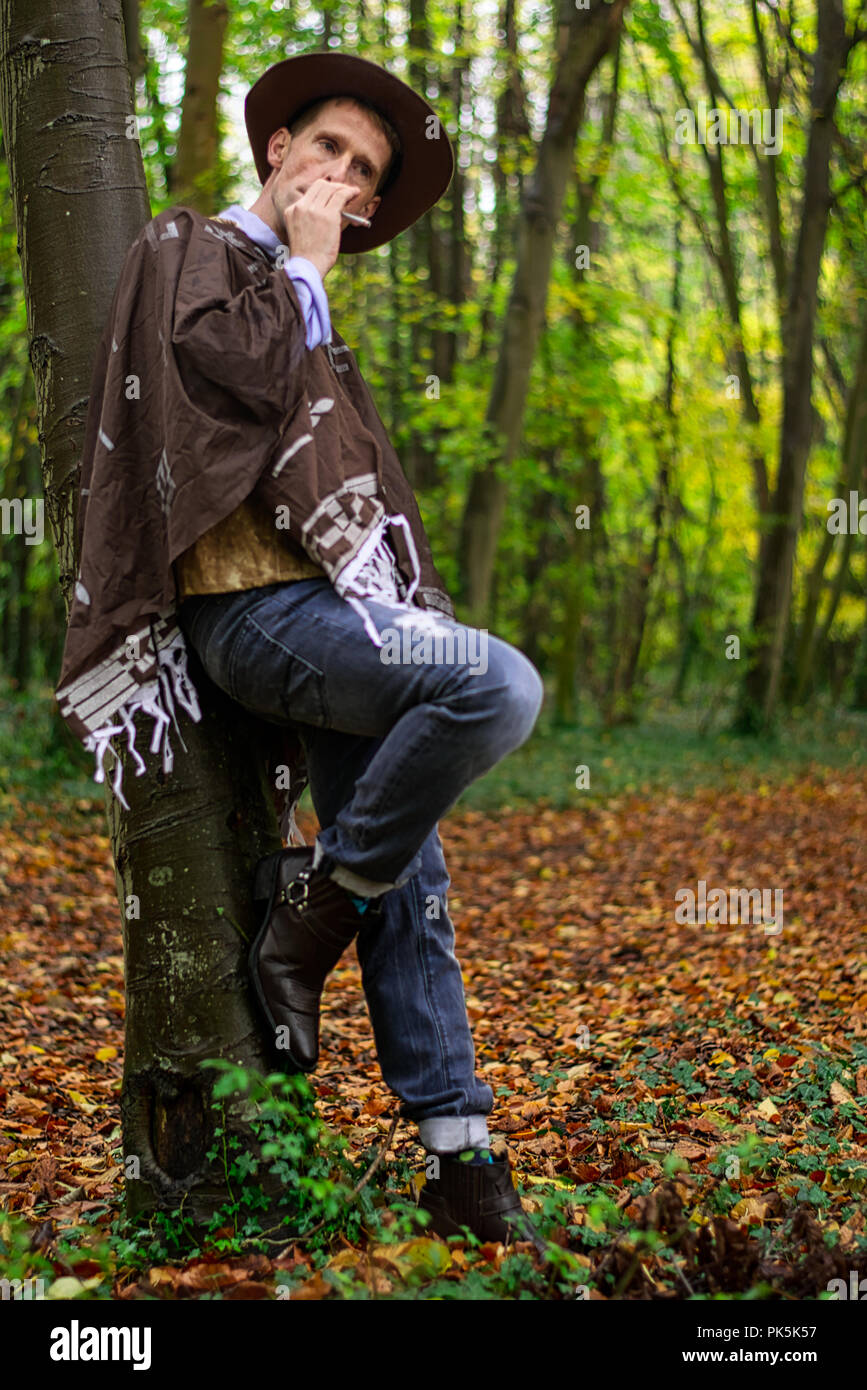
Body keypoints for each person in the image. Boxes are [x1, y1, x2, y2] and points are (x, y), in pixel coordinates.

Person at [56, 50, 545, 1251]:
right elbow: (224, 376)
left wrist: (309, 284)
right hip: (253, 617)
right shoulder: (191, 252)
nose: (342, 177)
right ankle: (311, 914)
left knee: (412, 879)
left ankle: (458, 1158)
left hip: (340, 624)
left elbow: (360, 502)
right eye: (328, 149)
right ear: (278, 150)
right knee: (498, 684)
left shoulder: (308, 313)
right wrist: (309, 269)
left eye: (365, 171)